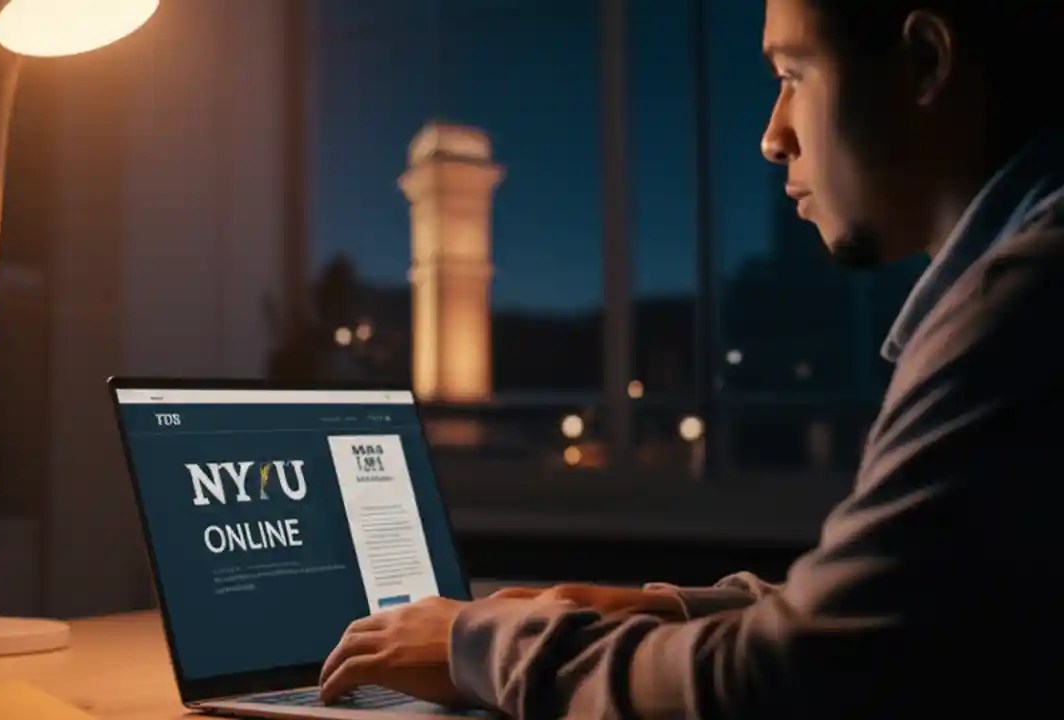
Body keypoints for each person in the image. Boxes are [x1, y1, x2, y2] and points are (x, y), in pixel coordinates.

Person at [319, 0, 1064, 716]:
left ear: (927, 62)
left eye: (792, 75)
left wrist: (475, 645)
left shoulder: (1022, 311)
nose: (773, 135)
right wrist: (661, 607)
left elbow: (784, 684)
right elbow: (887, 612)